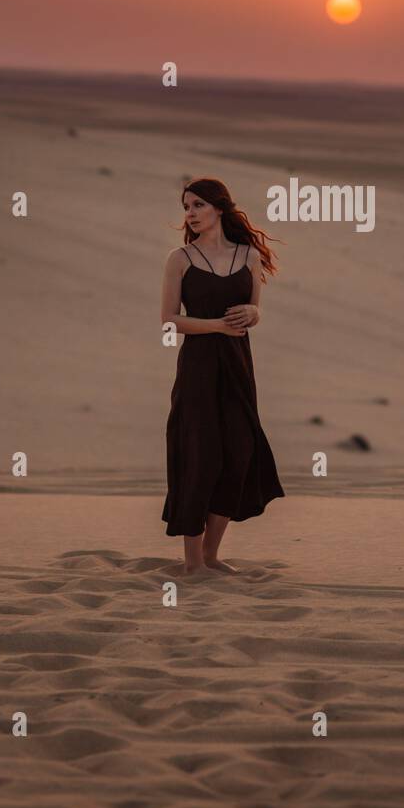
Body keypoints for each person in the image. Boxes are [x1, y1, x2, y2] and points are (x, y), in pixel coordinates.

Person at [160, 177, 285, 576]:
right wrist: (216, 325)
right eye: (186, 208)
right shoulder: (179, 259)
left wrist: (255, 315)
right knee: (202, 457)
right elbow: (169, 321)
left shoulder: (248, 256)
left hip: (237, 366)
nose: (190, 214)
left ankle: (213, 554)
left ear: (219, 207)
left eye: (197, 205)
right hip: (198, 367)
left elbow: (254, 311)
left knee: (239, 452)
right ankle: (193, 562)